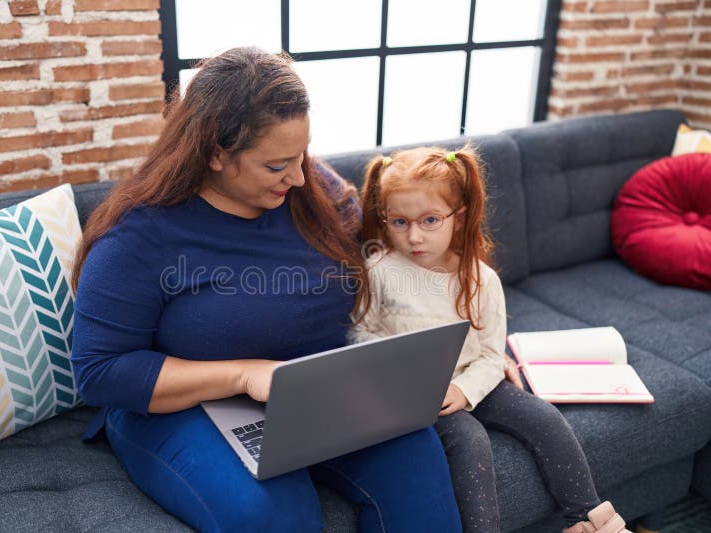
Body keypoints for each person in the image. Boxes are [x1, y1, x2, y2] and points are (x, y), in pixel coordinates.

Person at [70, 47, 462, 533]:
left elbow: (399, 257)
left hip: (314, 390)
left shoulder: (311, 190)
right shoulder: (138, 237)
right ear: (214, 152)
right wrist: (243, 375)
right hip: (183, 409)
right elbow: (100, 371)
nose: (298, 176)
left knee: (416, 458)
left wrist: (472, 341)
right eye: (277, 165)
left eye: (302, 155)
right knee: (275, 513)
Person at [349, 146, 632, 533]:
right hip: (416, 393)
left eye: (430, 220)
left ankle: (587, 518)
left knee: (545, 419)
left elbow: (489, 354)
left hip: (474, 377)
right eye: (399, 222)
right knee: (469, 440)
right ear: (384, 219)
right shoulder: (379, 269)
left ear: (458, 218)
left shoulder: (480, 279)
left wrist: (464, 390)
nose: (413, 235)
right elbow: (360, 333)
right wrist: (404, 382)